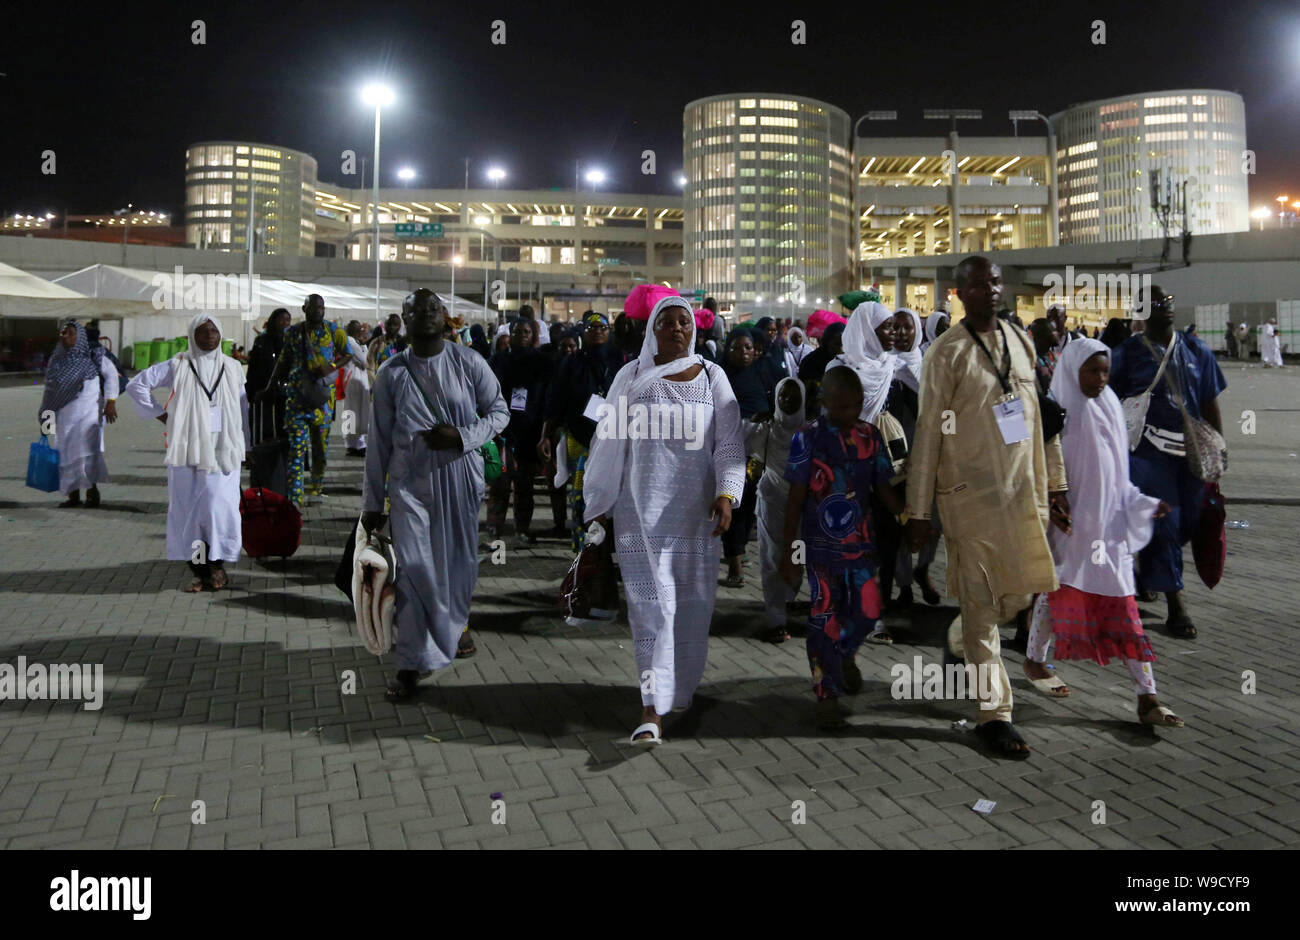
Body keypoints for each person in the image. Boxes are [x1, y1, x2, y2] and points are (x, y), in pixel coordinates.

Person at [905, 256, 1069, 759]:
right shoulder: (946, 352)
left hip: (1023, 491)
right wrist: (918, 510)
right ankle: (994, 713)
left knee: (1016, 592)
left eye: (995, 281)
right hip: (967, 499)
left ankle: (962, 637)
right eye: (978, 283)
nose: (990, 289)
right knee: (980, 600)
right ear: (959, 292)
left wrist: (1057, 482)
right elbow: (930, 430)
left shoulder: (1019, 340)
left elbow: (1039, 418)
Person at [583, 295, 746, 746]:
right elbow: (608, 439)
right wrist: (598, 502)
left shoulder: (714, 376)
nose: (676, 329)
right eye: (667, 323)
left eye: (683, 322)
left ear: (694, 331)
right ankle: (650, 710)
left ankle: (679, 689)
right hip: (641, 513)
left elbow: (730, 443)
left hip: (697, 518)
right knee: (653, 610)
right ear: (652, 330)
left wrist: (728, 494)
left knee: (691, 608)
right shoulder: (631, 376)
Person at [1021, 338, 1182, 728]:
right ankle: (1035, 660)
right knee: (1056, 591)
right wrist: (1047, 506)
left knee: (1121, 607)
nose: (1100, 378)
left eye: (1105, 370)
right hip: (1072, 528)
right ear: (1073, 370)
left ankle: (1147, 696)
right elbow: (1034, 469)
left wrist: (1141, 503)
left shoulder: (1109, 404)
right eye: (1092, 371)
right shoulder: (1055, 413)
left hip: (1109, 533)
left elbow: (1117, 475)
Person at [362, 289, 510, 698]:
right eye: (415, 310)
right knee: (413, 570)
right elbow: (378, 442)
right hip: (410, 484)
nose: (425, 315)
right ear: (404, 319)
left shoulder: (469, 362)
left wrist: (462, 437)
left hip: (460, 478)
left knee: (457, 567)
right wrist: (372, 504)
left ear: (444, 317)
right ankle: (411, 663)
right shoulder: (392, 373)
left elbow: (500, 412)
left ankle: (452, 626)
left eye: (432, 309)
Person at [780, 367, 904, 729]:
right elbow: (796, 498)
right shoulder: (808, 438)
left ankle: (844, 655)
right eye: (845, 406)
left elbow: (883, 487)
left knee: (868, 611)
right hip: (820, 546)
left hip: (862, 542)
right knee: (823, 618)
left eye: (858, 406)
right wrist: (789, 550)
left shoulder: (870, 435)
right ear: (826, 402)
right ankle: (826, 692)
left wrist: (911, 518)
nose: (853, 413)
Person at [1109, 287, 1225, 638]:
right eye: (1157, 304)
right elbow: (1110, 402)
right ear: (1141, 312)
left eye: (1169, 302)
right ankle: (1177, 606)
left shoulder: (1196, 350)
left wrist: (1217, 449)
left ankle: (1149, 571)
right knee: (1166, 522)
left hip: (1187, 456)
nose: (1166, 308)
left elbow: (1209, 401)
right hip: (1146, 454)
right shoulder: (1125, 354)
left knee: (1188, 521)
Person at [125, 314, 250, 592]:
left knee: (218, 508)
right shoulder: (178, 365)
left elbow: (243, 409)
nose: (209, 337)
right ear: (192, 335)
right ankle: (201, 572)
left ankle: (217, 565)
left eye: (214, 331)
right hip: (186, 449)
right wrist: (164, 416)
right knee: (190, 513)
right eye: (203, 332)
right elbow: (136, 386)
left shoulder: (232, 367)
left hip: (223, 449)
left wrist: (248, 446)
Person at [539, 311, 618, 552]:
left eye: (603, 327)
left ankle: (604, 554)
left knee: (610, 498)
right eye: (592, 327)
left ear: (609, 331)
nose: (597, 331)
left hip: (613, 441)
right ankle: (583, 555)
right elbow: (556, 400)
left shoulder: (619, 362)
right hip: (580, 439)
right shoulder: (572, 363)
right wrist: (545, 435)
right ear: (584, 331)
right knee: (583, 497)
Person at [262, 294, 349, 506]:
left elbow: (348, 354)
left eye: (322, 307)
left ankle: (316, 487)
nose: (319, 311)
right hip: (297, 401)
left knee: (320, 448)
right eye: (314, 307)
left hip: (322, 403)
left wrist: (333, 367)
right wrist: (269, 387)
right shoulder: (293, 333)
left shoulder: (333, 330)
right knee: (297, 449)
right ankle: (295, 498)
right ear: (304, 308)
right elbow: (282, 362)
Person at [487, 318, 561, 542]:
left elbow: (550, 396)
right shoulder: (499, 361)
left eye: (527, 332)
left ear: (534, 335)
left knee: (524, 485)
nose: (522, 336)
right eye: (518, 332)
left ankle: (522, 527)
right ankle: (495, 528)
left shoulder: (543, 363)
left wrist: (545, 432)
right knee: (500, 483)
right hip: (502, 430)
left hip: (530, 431)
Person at [40, 320, 118, 508]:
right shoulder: (56, 359)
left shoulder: (95, 356)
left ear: (80, 336)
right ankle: (72, 496)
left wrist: (111, 402)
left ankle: (92, 492)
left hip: (89, 414)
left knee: (87, 452)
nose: (64, 336)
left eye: (69, 333)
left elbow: (112, 376)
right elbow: (50, 390)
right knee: (65, 453)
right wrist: (46, 417)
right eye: (63, 333)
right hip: (64, 417)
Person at [717, 327, 771, 588]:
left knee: (749, 505)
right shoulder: (719, 375)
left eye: (747, 347)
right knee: (733, 504)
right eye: (736, 347)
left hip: (756, 451)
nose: (743, 353)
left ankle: (737, 552)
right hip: (728, 448)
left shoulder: (762, 374)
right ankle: (734, 562)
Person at [753, 377, 806, 642]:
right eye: (782, 395)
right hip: (771, 501)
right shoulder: (766, 430)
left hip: (804, 505)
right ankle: (775, 619)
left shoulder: (811, 431)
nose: (787, 400)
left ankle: (787, 598)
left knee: (797, 555)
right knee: (771, 559)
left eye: (793, 395)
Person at [246, 308, 291, 444]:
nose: (285, 323)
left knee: (284, 425)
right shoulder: (262, 340)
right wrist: (251, 389)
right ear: (273, 320)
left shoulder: (290, 341)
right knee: (263, 425)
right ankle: (262, 456)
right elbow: (254, 366)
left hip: (285, 392)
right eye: (281, 319)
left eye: (287, 320)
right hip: (263, 389)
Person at [798, 321, 845, 415]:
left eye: (844, 344)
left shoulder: (848, 360)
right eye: (836, 344)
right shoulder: (810, 362)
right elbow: (805, 394)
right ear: (827, 342)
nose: (841, 349)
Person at [341, 320, 371, 457]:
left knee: (354, 411)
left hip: (356, 380)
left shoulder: (353, 342)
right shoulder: (351, 342)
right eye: (359, 329)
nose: (361, 332)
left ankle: (354, 444)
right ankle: (355, 444)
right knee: (354, 412)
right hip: (354, 380)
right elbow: (365, 361)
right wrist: (364, 344)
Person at [368, 313, 407, 385]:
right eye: (389, 324)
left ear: (399, 326)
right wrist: (374, 384)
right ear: (384, 325)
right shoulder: (376, 343)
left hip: (401, 383)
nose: (392, 327)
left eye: (395, 325)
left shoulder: (404, 344)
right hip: (381, 382)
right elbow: (370, 367)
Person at [1028, 318, 1059, 395]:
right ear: (1043, 334)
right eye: (1053, 330)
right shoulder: (1032, 362)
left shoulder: (1056, 356)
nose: (1057, 333)